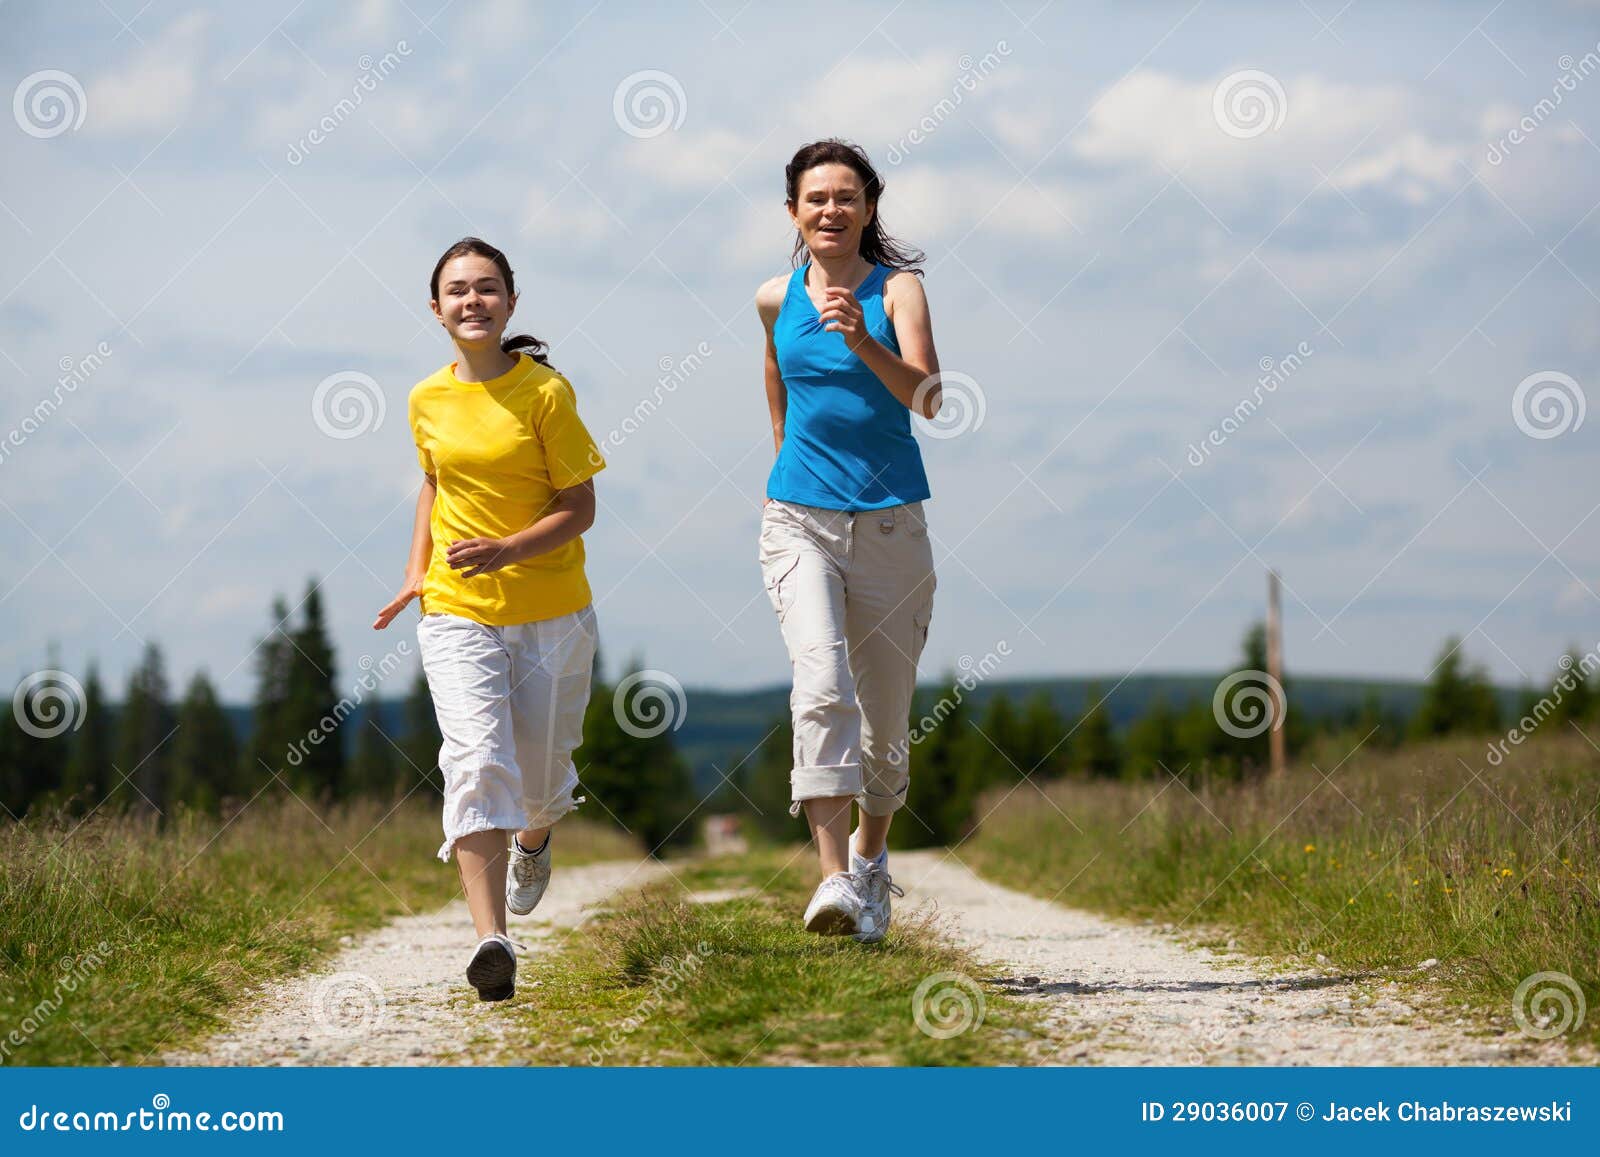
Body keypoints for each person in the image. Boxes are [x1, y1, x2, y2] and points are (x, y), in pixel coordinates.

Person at [373, 237, 605, 1001]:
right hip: (457, 608)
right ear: (436, 309)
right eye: (458, 289)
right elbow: (432, 484)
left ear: (510, 302)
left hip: (552, 611)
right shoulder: (425, 399)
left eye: (487, 287)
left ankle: (535, 837)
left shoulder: (545, 393)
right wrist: (416, 570)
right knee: (475, 759)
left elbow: (580, 506)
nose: (473, 299)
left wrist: (509, 548)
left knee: (540, 778)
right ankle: (491, 939)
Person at [755, 140, 942, 943]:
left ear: (868, 208)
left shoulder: (898, 290)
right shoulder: (774, 296)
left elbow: (929, 396)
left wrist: (865, 340)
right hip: (798, 519)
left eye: (845, 197)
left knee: (886, 730)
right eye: (816, 198)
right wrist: (783, 457)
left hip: (891, 523)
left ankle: (869, 858)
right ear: (793, 211)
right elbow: (776, 370)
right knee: (821, 684)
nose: (830, 209)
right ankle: (832, 876)